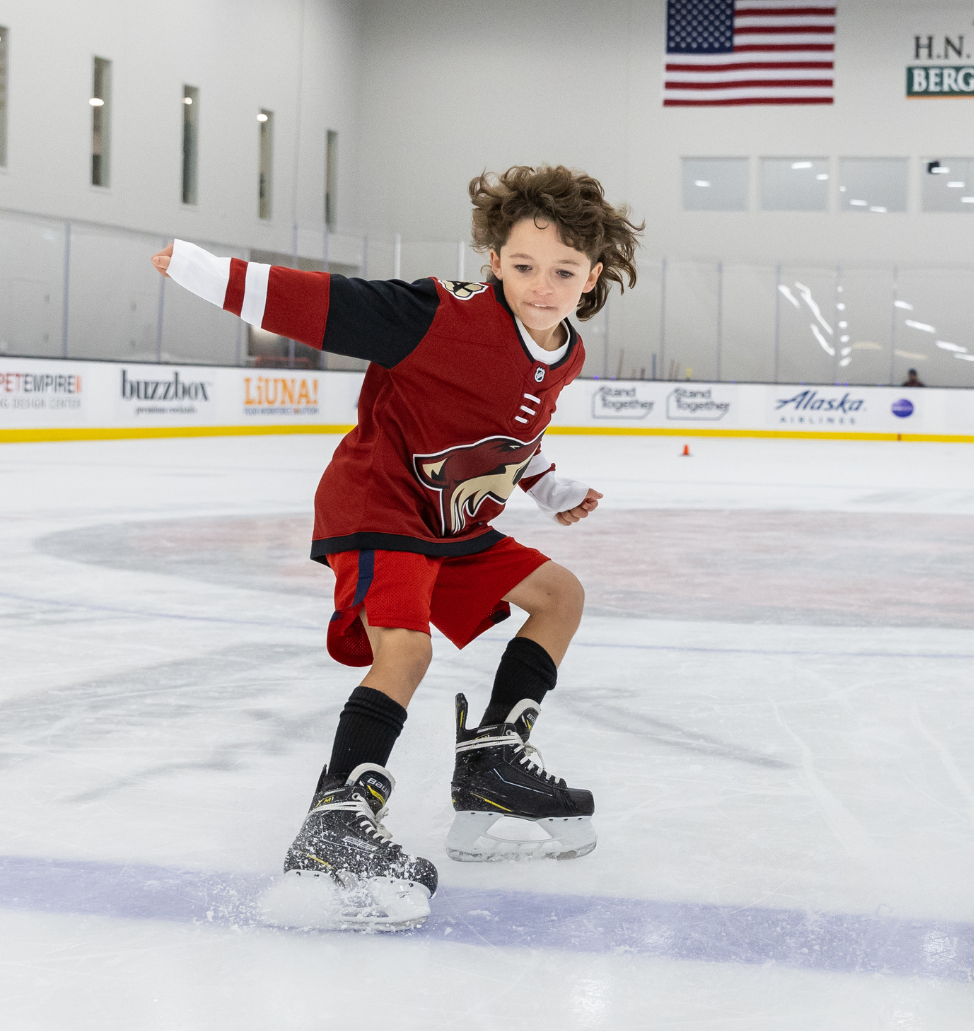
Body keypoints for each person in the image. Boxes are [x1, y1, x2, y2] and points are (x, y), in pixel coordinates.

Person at [149, 165, 642, 930]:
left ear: (592, 277)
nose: (541, 287)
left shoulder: (566, 351)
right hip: (380, 502)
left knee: (559, 596)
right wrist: (208, 272)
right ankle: (337, 817)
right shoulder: (440, 316)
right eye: (522, 267)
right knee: (406, 651)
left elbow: (519, 429)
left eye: (562, 271)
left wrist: (549, 489)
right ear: (492, 261)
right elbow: (326, 307)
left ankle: (492, 762)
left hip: (453, 521)